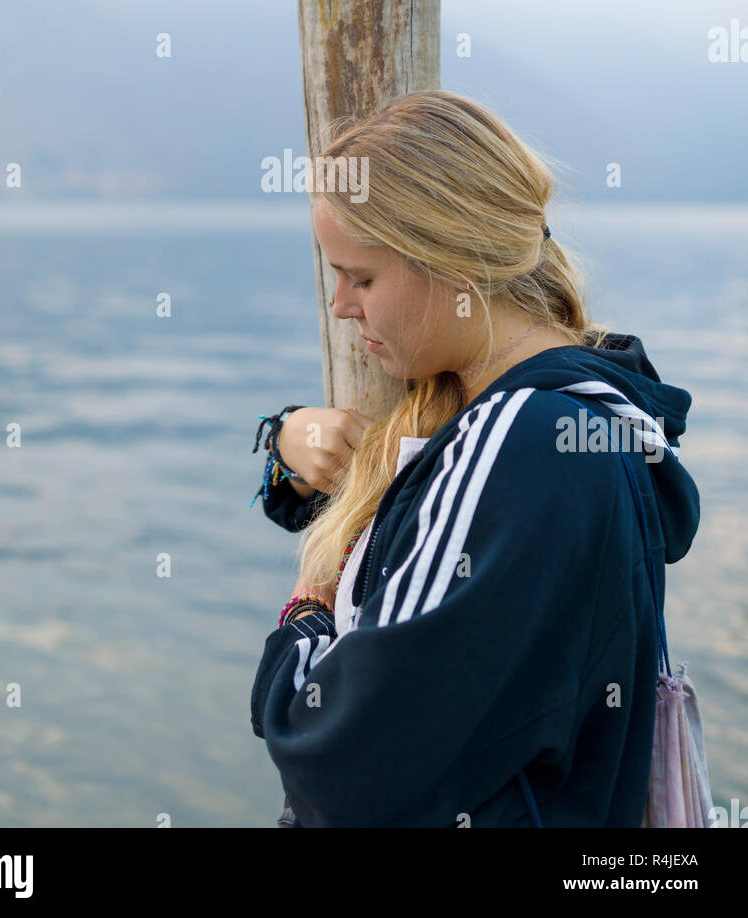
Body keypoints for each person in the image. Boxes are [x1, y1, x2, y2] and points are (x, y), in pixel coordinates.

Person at [249, 90, 701, 827]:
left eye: (361, 278)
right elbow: (371, 499)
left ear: (455, 260)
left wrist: (304, 611)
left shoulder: (521, 441)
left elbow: (339, 760)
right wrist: (285, 440)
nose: (339, 306)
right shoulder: (573, 416)